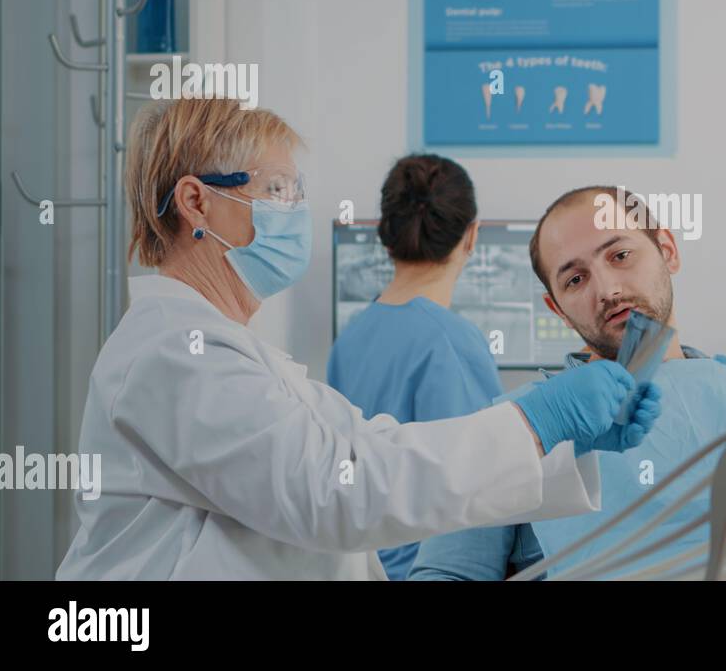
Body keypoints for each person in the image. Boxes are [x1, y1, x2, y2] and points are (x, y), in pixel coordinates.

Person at [56, 100, 661, 580]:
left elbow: (372, 448)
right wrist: (536, 420)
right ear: (196, 202)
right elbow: (336, 490)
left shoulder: (244, 357)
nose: (295, 212)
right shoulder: (173, 354)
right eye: (277, 191)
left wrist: (559, 445)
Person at [407, 186, 726, 581]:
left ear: (666, 249)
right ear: (557, 309)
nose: (608, 289)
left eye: (620, 255)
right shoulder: (514, 428)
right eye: (575, 279)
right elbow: (446, 573)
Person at [327, 154, 504, 580]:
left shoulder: (349, 339)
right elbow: (480, 493)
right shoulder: (452, 342)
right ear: (472, 236)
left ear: (386, 236)